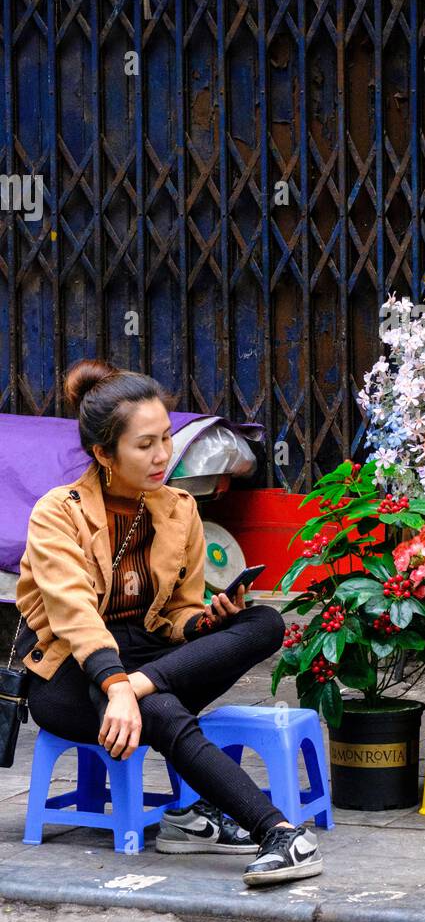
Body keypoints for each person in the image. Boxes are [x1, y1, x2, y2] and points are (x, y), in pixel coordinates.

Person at [14, 358, 324, 888]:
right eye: (144, 445)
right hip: (71, 672)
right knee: (154, 705)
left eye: (166, 439)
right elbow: (75, 615)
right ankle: (278, 832)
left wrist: (204, 621)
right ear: (104, 454)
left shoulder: (178, 507)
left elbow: (176, 610)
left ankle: (189, 819)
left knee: (264, 622)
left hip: (146, 661)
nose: (162, 456)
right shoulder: (56, 513)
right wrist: (116, 685)